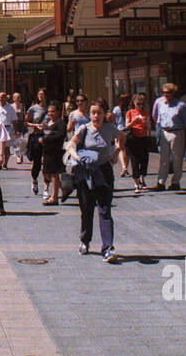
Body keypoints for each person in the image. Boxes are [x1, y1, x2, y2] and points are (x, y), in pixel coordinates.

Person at [69, 100, 124, 262]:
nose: (96, 116)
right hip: (86, 172)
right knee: (86, 209)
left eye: (99, 112)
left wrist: (116, 152)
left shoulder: (109, 129)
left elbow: (122, 137)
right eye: (93, 112)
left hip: (104, 171)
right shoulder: (84, 129)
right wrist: (77, 156)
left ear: (104, 114)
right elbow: (71, 144)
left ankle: (108, 247)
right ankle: (85, 241)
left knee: (105, 209)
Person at [151, 83, 186, 191]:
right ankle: (161, 182)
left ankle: (175, 182)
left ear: (173, 93)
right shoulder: (160, 103)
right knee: (164, 158)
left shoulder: (181, 106)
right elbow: (155, 117)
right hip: (164, 131)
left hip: (177, 132)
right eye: (164, 92)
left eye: (168, 92)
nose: (166, 95)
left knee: (177, 158)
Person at [40, 101, 67, 205]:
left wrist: (45, 140)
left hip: (56, 151)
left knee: (54, 174)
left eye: (53, 111)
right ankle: (63, 189)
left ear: (58, 112)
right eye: (49, 111)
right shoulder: (49, 123)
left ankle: (54, 197)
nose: (50, 113)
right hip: (47, 151)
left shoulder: (60, 123)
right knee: (46, 173)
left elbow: (60, 136)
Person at [125, 92, 152, 193]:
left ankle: (143, 180)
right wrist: (134, 122)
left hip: (143, 138)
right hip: (134, 138)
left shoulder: (145, 113)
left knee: (144, 159)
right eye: (138, 104)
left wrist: (145, 123)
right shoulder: (130, 113)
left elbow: (149, 127)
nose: (140, 106)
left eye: (142, 104)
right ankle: (136, 183)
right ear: (134, 103)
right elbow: (126, 126)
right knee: (135, 160)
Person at [26, 89, 49, 196]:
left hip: (48, 137)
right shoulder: (33, 108)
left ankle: (46, 188)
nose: (41, 96)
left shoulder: (51, 108)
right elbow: (26, 122)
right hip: (36, 137)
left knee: (47, 162)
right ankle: (34, 180)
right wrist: (36, 125)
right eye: (39, 94)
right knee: (37, 162)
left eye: (43, 94)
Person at [112, 94, 131, 175]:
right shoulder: (116, 109)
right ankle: (124, 167)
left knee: (126, 150)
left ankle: (125, 167)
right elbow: (114, 120)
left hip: (127, 130)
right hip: (119, 130)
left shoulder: (129, 109)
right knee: (121, 148)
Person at [11, 92, 28, 163]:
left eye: (19, 97)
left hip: (21, 124)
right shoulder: (11, 106)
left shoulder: (22, 106)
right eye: (16, 97)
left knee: (22, 140)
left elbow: (25, 115)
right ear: (13, 98)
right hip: (14, 124)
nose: (17, 99)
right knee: (16, 141)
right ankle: (18, 156)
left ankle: (21, 156)